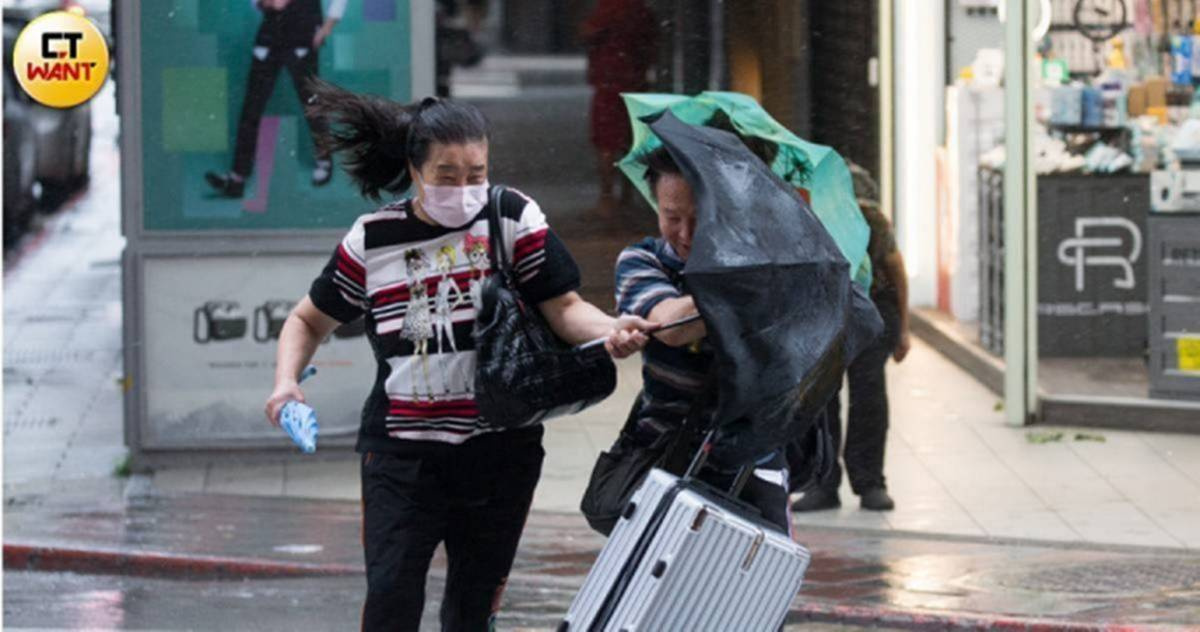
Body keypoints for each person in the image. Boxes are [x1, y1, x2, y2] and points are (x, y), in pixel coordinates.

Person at [264, 81, 652, 631]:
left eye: (477, 173)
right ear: (415, 170)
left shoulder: (511, 218)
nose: (464, 188)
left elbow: (563, 306)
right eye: (448, 176)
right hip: (402, 457)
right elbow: (307, 319)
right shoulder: (373, 240)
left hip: (499, 454)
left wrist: (612, 329)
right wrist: (286, 383)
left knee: (473, 610)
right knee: (392, 599)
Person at [611, 146, 793, 534]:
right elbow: (671, 327)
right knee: (658, 589)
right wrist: (742, 284)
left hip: (754, 461)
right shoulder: (643, 261)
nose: (685, 234)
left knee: (757, 587)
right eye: (671, 217)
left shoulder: (774, 264)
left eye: (700, 219)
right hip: (665, 453)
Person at [792, 163, 911, 513]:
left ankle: (870, 482)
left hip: (871, 313)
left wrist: (903, 330)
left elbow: (897, 271)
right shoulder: (809, 220)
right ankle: (823, 484)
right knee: (820, 401)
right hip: (825, 315)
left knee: (869, 397)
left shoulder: (873, 221)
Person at [205, 0, 345, 198]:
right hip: (271, 34)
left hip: (303, 32)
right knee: (251, 107)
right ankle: (238, 177)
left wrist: (327, 27)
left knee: (312, 102)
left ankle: (324, 160)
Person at [581, 0, 657, 209]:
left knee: (606, 142)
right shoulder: (640, 11)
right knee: (630, 140)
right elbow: (651, 45)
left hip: (608, 82)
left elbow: (588, 34)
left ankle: (607, 196)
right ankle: (626, 195)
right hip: (634, 82)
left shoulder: (606, 10)